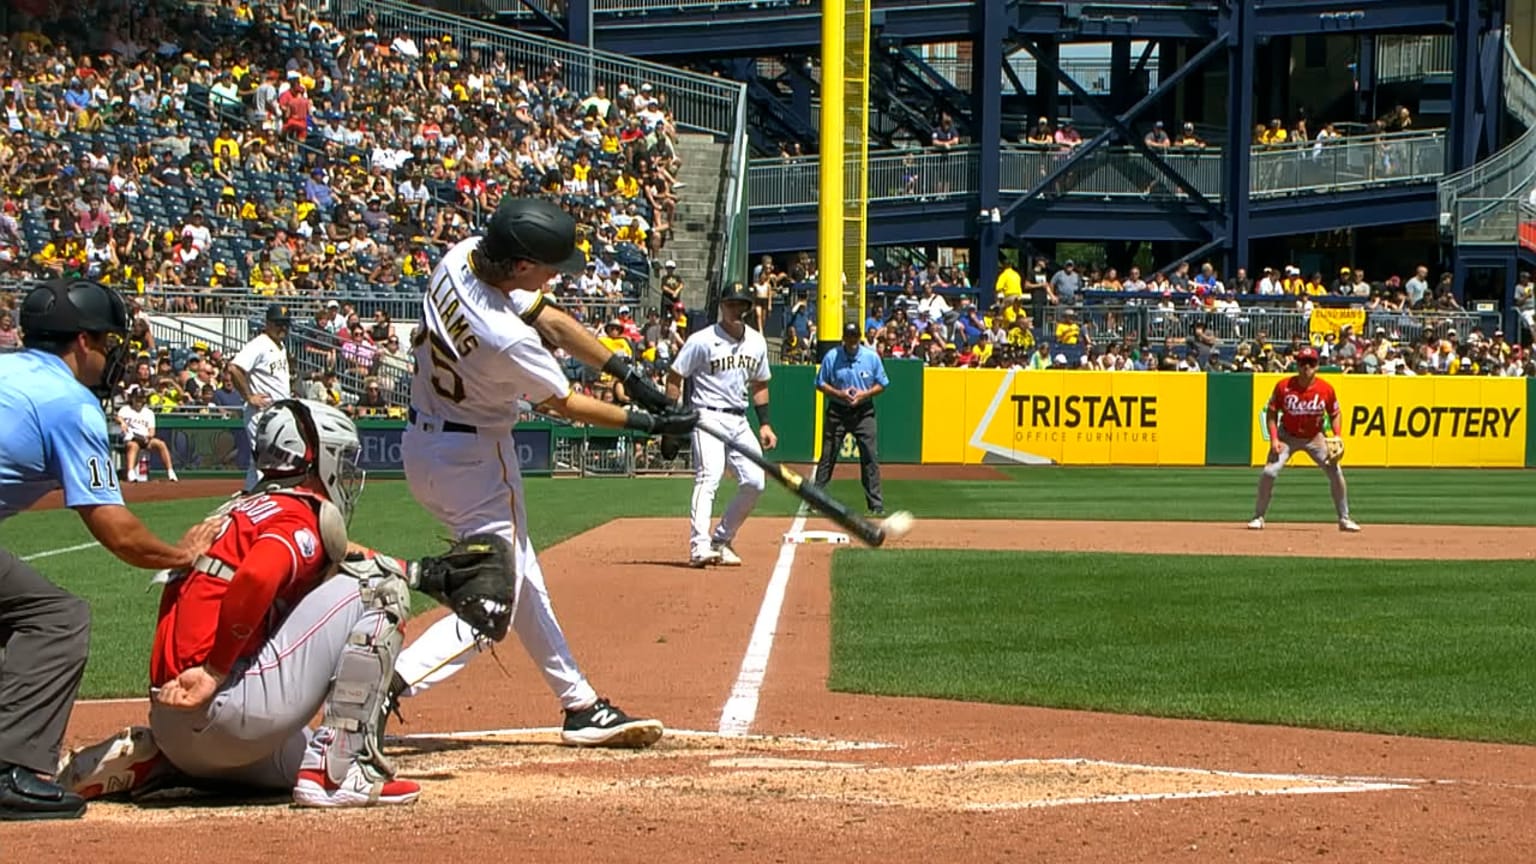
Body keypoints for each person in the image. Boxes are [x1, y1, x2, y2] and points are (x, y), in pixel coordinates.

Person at [390, 196, 697, 747]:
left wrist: (627, 372)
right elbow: (565, 404)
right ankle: (385, 685)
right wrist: (648, 423)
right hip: (476, 464)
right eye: (550, 267)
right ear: (522, 265)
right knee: (492, 606)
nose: (557, 277)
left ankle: (579, 704)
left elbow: (551, 318)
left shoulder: (460, 257)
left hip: (425, 445)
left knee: (525, 580)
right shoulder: (501, 336)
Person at [58, 400, 436, 808]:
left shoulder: (238, 510)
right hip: (221, 706)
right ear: (317, 457)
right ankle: (339, 774)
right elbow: (259, 575)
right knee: (381, 587)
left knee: (298, 756)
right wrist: (214, 670)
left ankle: (164, 763)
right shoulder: (298, 513)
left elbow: (337, 558)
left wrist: (427, 575)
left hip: (176, 720)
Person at [0, 279, 215, 820]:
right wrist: (179, 555)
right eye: (106, 343)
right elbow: (116, 531)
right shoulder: (71, 403)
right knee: (56, 617)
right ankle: (9, 771)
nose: (110, 355)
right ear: (80, 343)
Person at [664, 283, 776, 568]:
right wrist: (669, 418)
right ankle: (699, 546)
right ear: (721, 306)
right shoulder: (702, 340)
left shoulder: (756, 341)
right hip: (707, 416)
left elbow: (760, 383)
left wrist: (764, 424)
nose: (736, 309)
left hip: (739, 418)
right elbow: (676, 376)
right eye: (731, 304)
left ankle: (721, 539)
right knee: (709, 476)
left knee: (755, 481)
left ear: (749, 308)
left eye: (741, 304)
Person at [1248, 346, 1360, 532]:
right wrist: (1274, 439)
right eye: (1303, 363)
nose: (1307, 367)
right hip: (1287, 435)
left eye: (1311, 363)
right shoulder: (1284, 386)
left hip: (1315, 436)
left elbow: (1335, 413)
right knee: (1269, 473)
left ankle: (1344, 518)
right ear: (1297, 365)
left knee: (1336, 473)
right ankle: (1258, 516)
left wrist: (1337, 435)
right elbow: (1272, 414)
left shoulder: (1325, 388)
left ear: (1317, 366)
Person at [813, 323, 888, 516]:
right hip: (838, 410)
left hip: (863, 411)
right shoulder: (833, 356)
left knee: (870, 457)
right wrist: (839, 393)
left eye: (855, 337)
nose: (852, 340)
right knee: (828, 456)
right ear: (844, 337)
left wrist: (864, 394)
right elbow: (820, 383)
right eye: (849, 336)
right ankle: (815, 499)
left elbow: (882, 383)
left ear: (859, 337)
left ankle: (876, 504)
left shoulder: (870, 357)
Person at [228, 303, 293, 488]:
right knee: (266, 459)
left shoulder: (280, 345)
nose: (283, 328)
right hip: (261, 412)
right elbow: (234, 368)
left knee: (262, 460)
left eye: (285, 323)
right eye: (278, 323)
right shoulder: (259, 344)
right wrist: (249, 396)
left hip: (278, 412)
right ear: (267, 323)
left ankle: (249, 496)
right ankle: (263, 499)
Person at [117, 386, 179, 482]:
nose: (139, 401)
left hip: (144, 438)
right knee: (133, 446)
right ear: (132, 398)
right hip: (130, 438)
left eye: (141, 398)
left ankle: (170, 472)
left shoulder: (148, 413)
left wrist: (149, 436)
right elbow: (117, 417)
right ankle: (131, 473)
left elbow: (152, 431)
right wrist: (122, 422)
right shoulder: (125, 409)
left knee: (161, 444)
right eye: (137, 398)